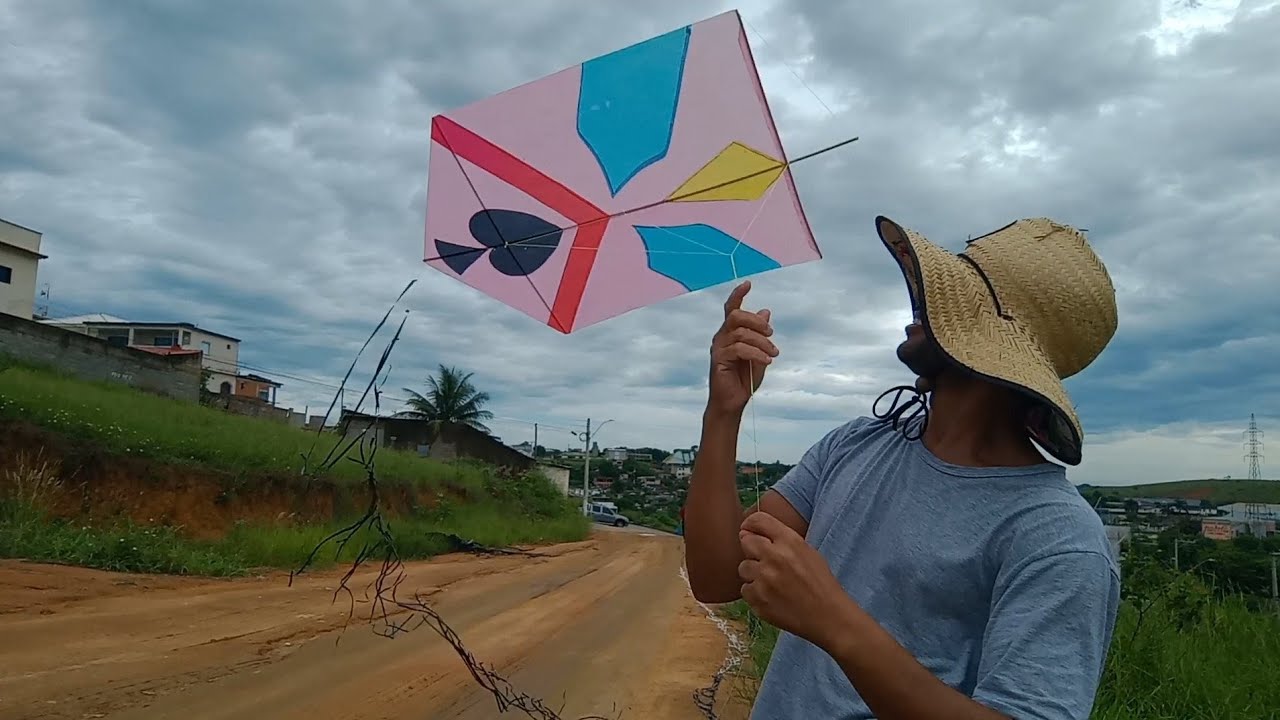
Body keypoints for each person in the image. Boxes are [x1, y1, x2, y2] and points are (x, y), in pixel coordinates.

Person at [683, 215, 1121, 720]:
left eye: (948, 296)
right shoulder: (857, 444)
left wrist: (835, 622)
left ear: (990, 340)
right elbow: (716, 578)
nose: (918, 303)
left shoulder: (1058, 536)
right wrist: (723, 411)